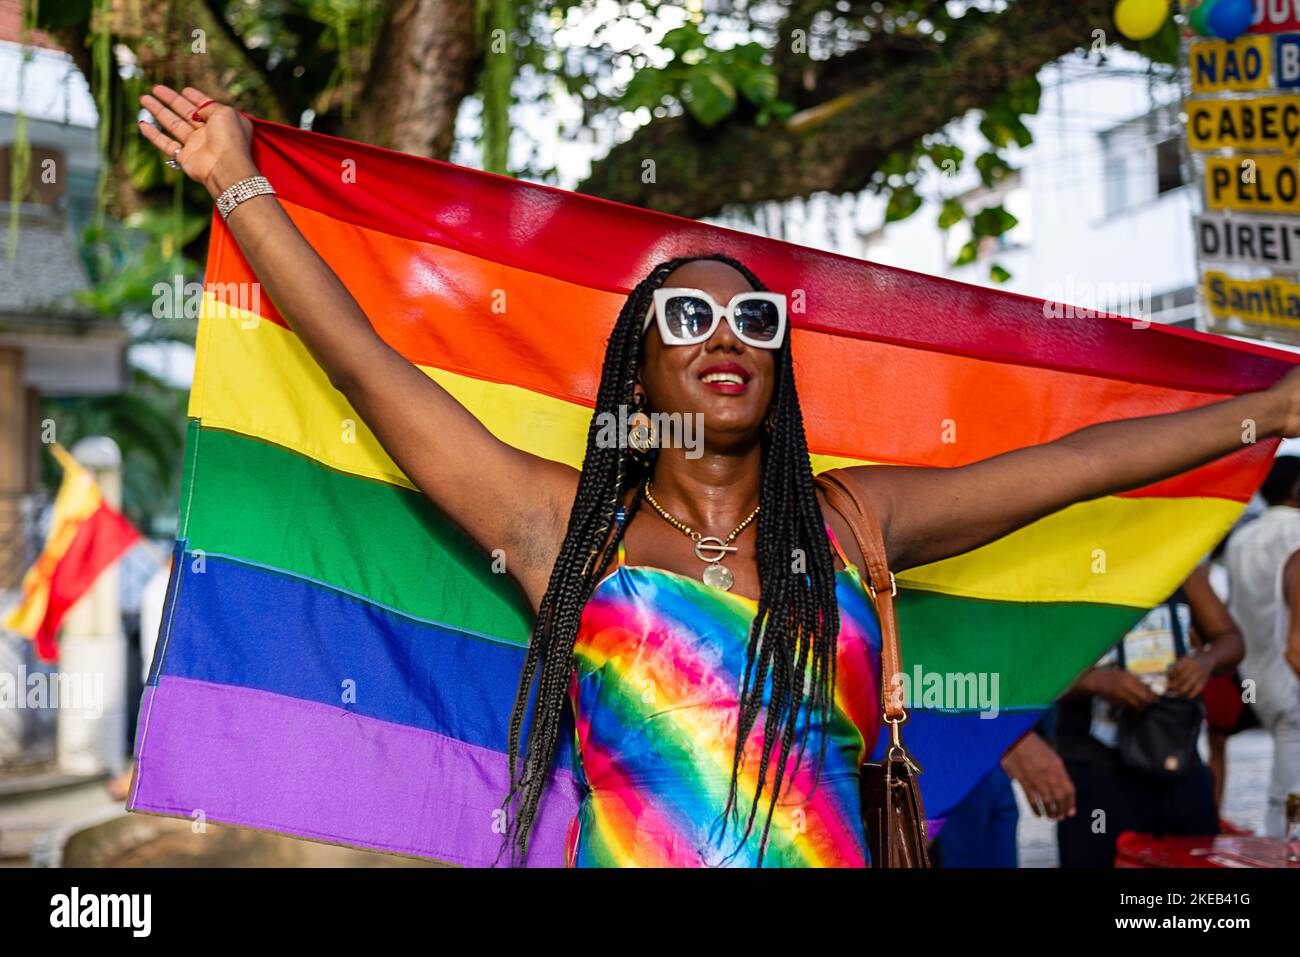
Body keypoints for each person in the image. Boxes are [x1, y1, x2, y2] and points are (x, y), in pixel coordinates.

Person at [136, 85, 1300, 868]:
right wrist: (240, 182)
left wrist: (1270, 408)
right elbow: (366, 368)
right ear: (635, 377)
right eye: (687, 315)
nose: (727, 333)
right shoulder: (555, 528)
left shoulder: (852, 521)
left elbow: (1071, 466)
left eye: (753, 317)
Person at [1053, 566, 1244, 867]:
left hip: (1175, 755)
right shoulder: (1072, 568)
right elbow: (1033, 665)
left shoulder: (1181, 564)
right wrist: (1097, 682)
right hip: (1097, 762)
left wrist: (1205, 662)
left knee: (1196, 862)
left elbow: (1230, 638)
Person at [1260, 546, 1300, 837]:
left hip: (1278, 688)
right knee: (1291, 794)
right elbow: (1295, 651)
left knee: (1286, 791)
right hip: (1291, 697)